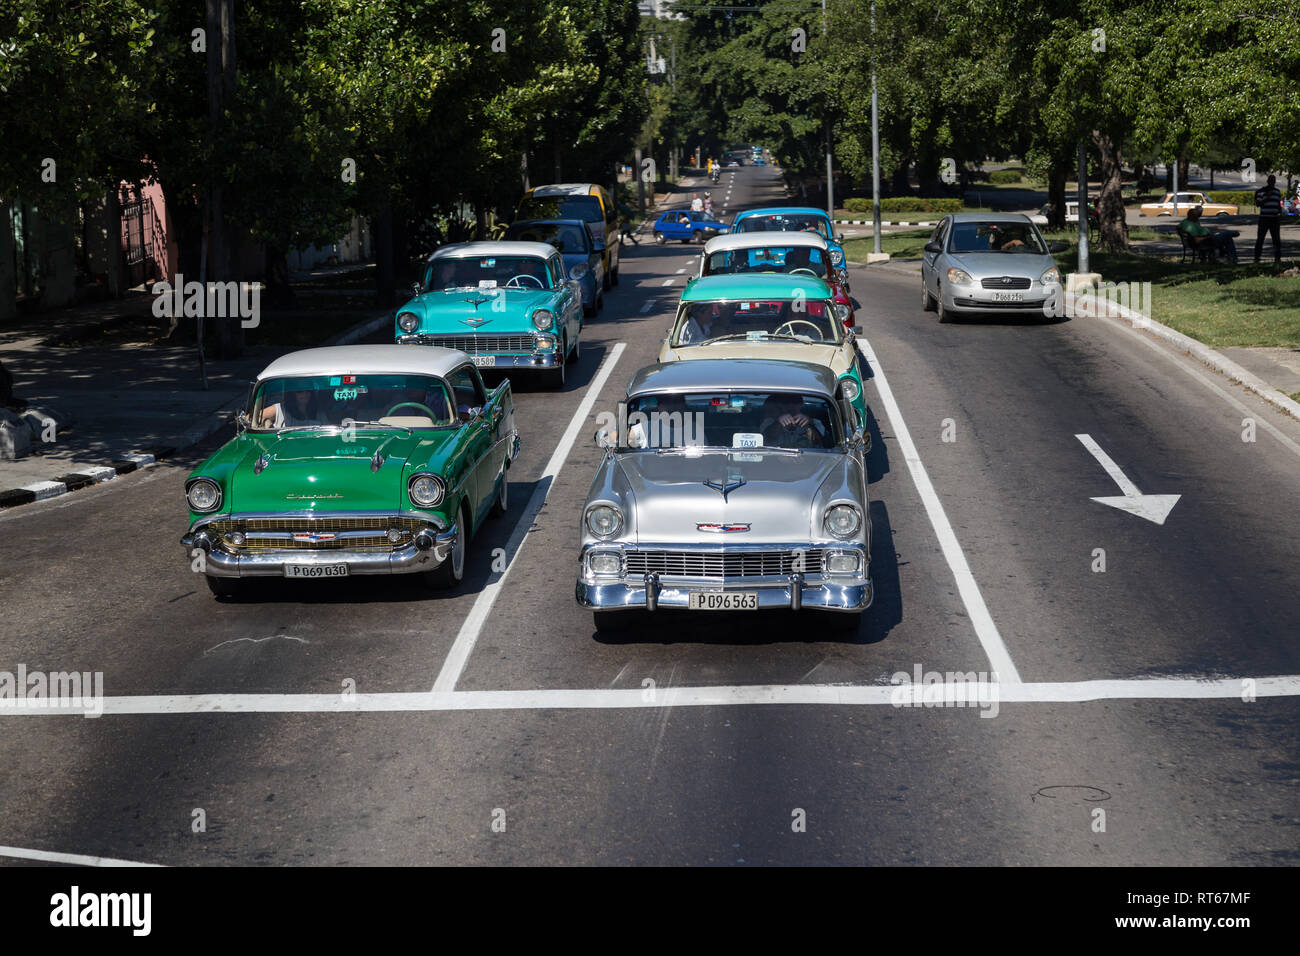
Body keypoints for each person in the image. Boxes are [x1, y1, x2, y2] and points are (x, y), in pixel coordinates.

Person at [260, 386, 325, 428]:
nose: (305, 394)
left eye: (308, 390)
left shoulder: (320, 412)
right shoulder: (280, 409)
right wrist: (267, 423)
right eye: (299, 391)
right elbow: (254, 417)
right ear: (292, 393)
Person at [1254, 174, 1283, 264]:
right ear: (1267, 181)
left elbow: (1278, 204)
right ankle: (1257, 257)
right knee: (1260, 238)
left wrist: (1280, 211)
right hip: (1264, 219)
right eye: (1270, 181)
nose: (1272, 183)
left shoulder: (1277, 192)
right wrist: (1267, 197)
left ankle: (1277, 258)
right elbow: (1258, 204)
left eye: (1273, 181)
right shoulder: (1261, 192)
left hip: (1274, 219)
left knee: (1276, 239)